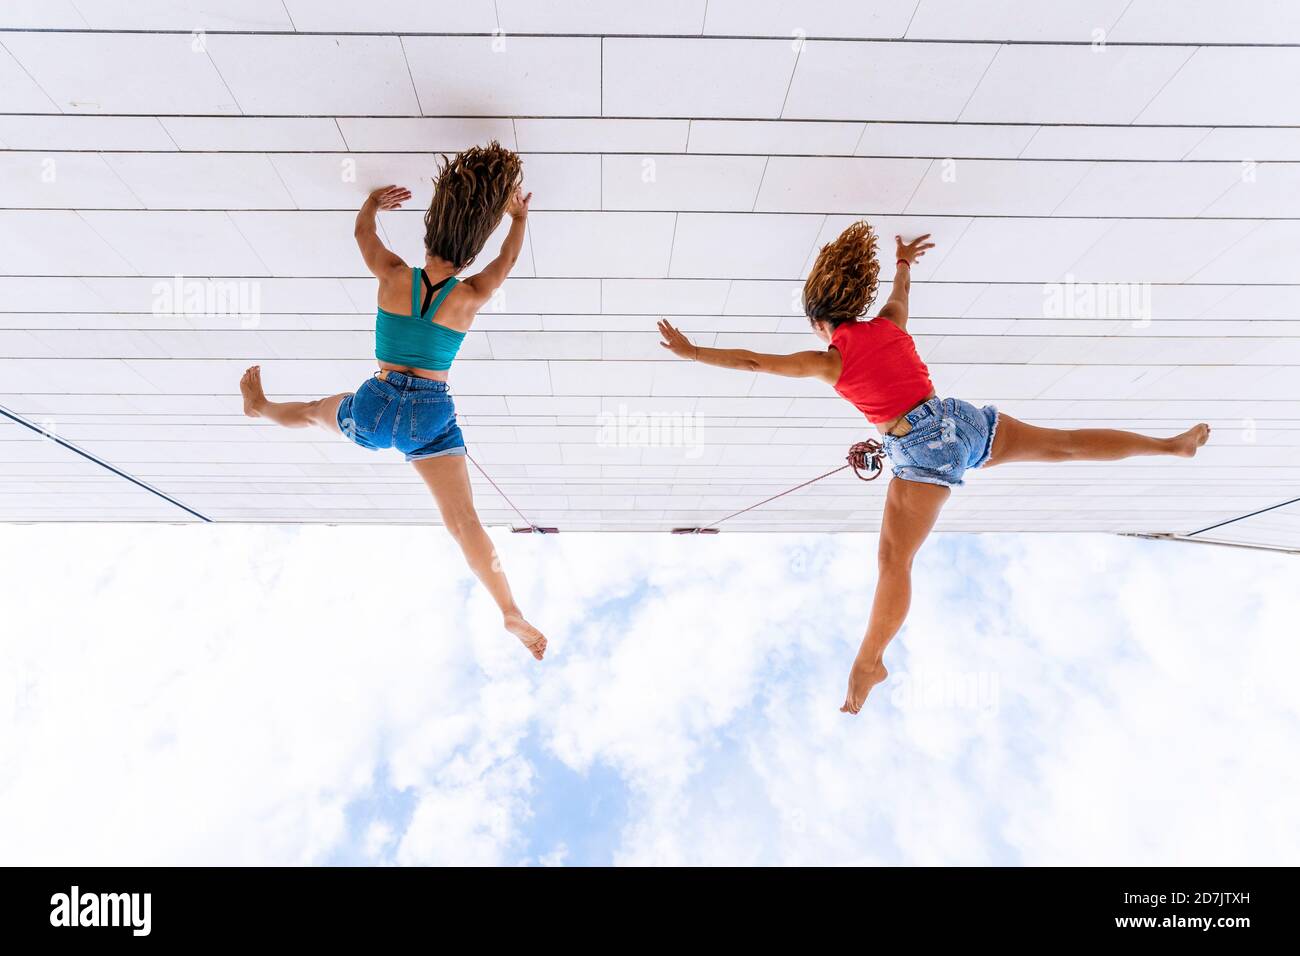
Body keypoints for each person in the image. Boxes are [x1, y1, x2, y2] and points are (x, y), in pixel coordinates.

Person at [657, 222, 1209, 714]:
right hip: (959, 421)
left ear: (823, 322)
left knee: (895, 562)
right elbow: (900, 296)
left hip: (924, 450)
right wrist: (901, 262)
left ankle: (869, 661)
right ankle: (1169, 447)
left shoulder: (831, 359)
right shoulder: (891, 325)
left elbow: (756, 361)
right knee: (1062, 444)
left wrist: (693, 352)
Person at [239, 142, 547, 660]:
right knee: (463, 523)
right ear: (469, 256)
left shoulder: (393, 275)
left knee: (318, 412)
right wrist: (516, 216)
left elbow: (363, 234)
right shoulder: (471, 295)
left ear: (427, 235)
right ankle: (508, 610)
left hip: (377, 401)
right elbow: (508, 258)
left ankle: (261, 407)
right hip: (427, 413)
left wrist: (373, 204)